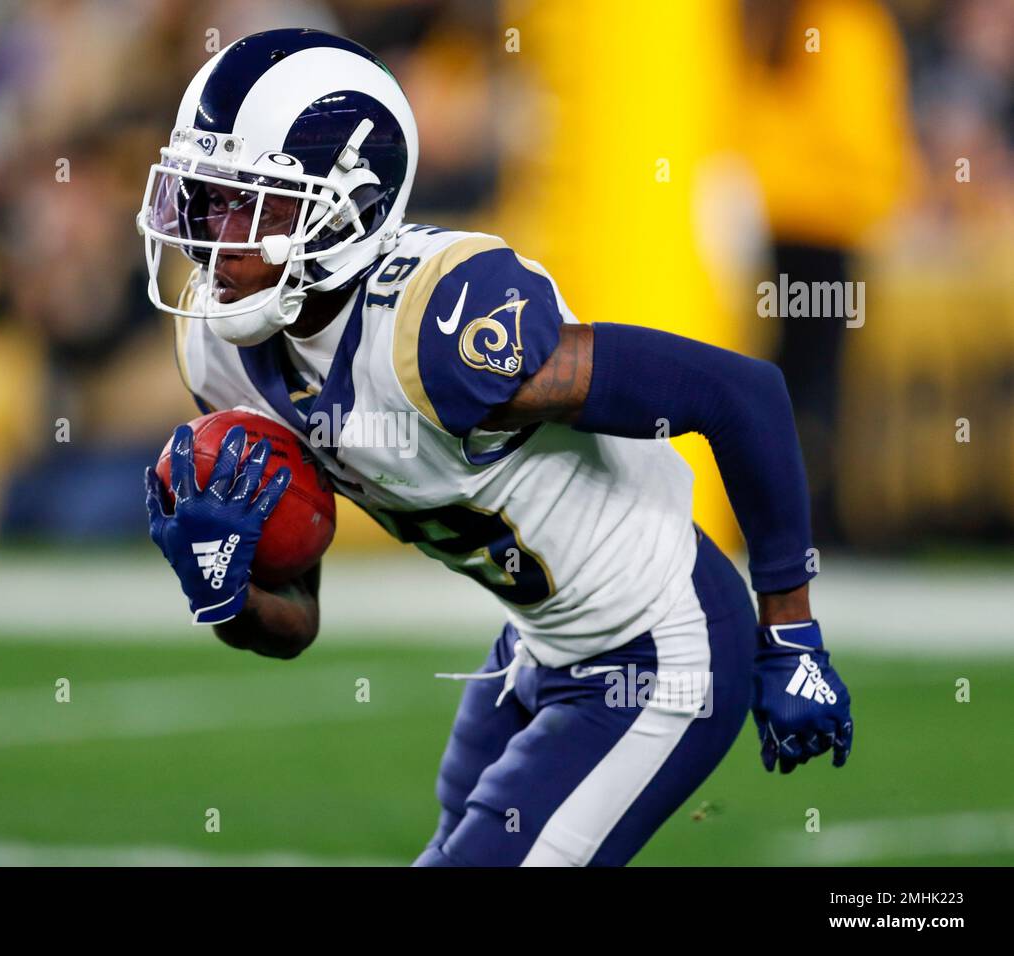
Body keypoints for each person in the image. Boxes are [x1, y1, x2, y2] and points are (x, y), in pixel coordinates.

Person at [141, 28, 852, 866]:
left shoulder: (440, 329)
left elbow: (741, 396)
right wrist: (223, 593)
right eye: (205, 195)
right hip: (535, 645)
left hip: (663, 638)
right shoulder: (223, 355)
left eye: (249, 203)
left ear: (346, 205)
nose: (211, 234)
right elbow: (296, 624)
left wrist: (793, 635)